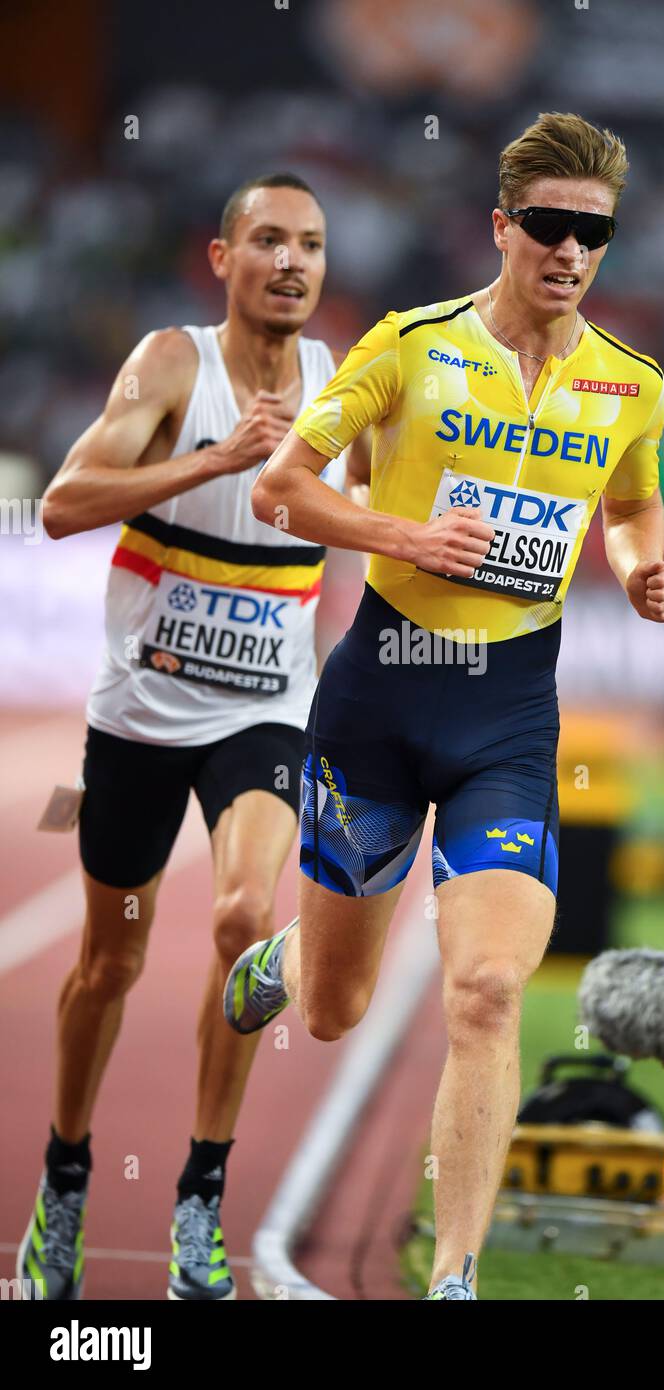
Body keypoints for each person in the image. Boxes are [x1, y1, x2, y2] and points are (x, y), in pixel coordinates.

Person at [225, 113, 664, 1300]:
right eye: (547, 225)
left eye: (593, 232)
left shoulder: (629, 384)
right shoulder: (411, 345)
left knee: (484, 990)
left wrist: (640, 564)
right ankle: (293, 951)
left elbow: (632, 502)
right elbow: (282, 488)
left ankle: (456, 1279)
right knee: (331, 1009)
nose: (569, 250)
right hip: (378, 699)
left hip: (508, 716)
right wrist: (405, 532)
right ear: (502, 227)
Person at [17, 173, 369, 1301]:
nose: (291, 262)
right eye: (267, 240)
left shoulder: (339, 382)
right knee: (109, 959)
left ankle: (200, 1195)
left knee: (238, 918)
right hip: (138, 720)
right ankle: (67, 1175)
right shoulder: (172, 363)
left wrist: (341, 671)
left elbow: (350, 538)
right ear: (222, 259)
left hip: (262, 715)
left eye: (309, 245)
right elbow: (64, 502)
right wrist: (216, 460)